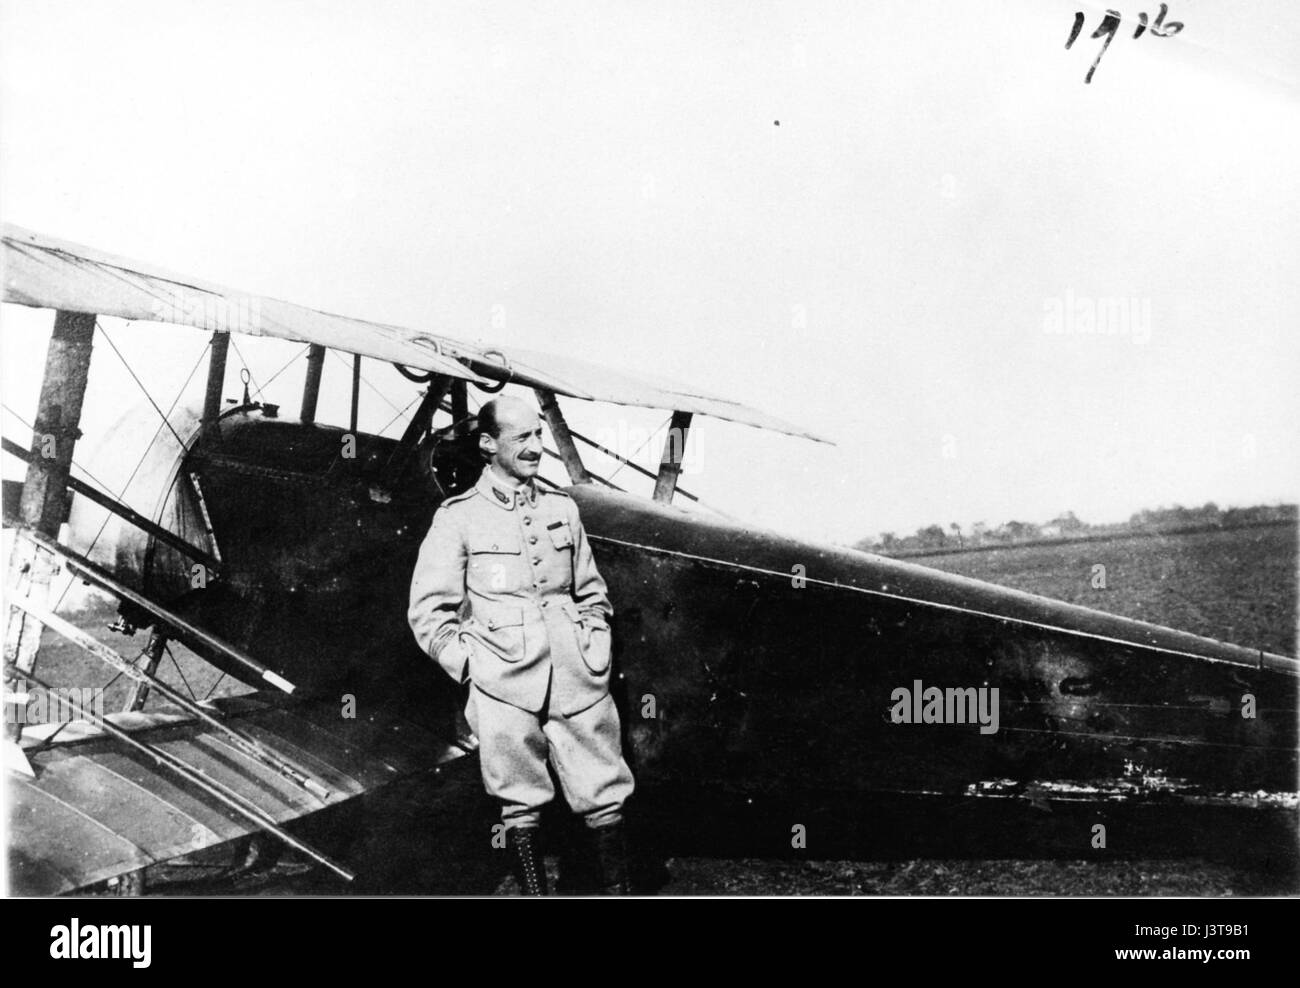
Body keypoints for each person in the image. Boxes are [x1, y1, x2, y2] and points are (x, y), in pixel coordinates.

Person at [407, 395, 635, 894]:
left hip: (578, 677)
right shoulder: (458, 518)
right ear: (488, 445)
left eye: (539, 436)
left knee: (605, 794)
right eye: (523, 438)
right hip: (502, 683)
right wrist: (473, 668)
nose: (536, 448)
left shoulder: (562, 509)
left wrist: (593, 645)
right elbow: (428, 611)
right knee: (519, 802)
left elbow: (592, 593)